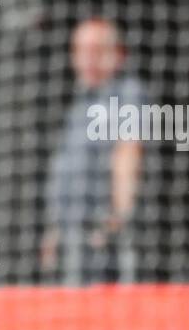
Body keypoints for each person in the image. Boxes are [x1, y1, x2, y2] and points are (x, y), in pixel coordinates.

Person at [42, 17, 147, 285]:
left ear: (119, 54)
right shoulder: (82, 102)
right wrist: (54, 230)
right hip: (72, 234)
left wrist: (120, 217)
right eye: (80, 51)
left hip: (102, 236)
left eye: (96, 51)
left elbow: (128, 153)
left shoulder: (128, 94)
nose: (87, 60)